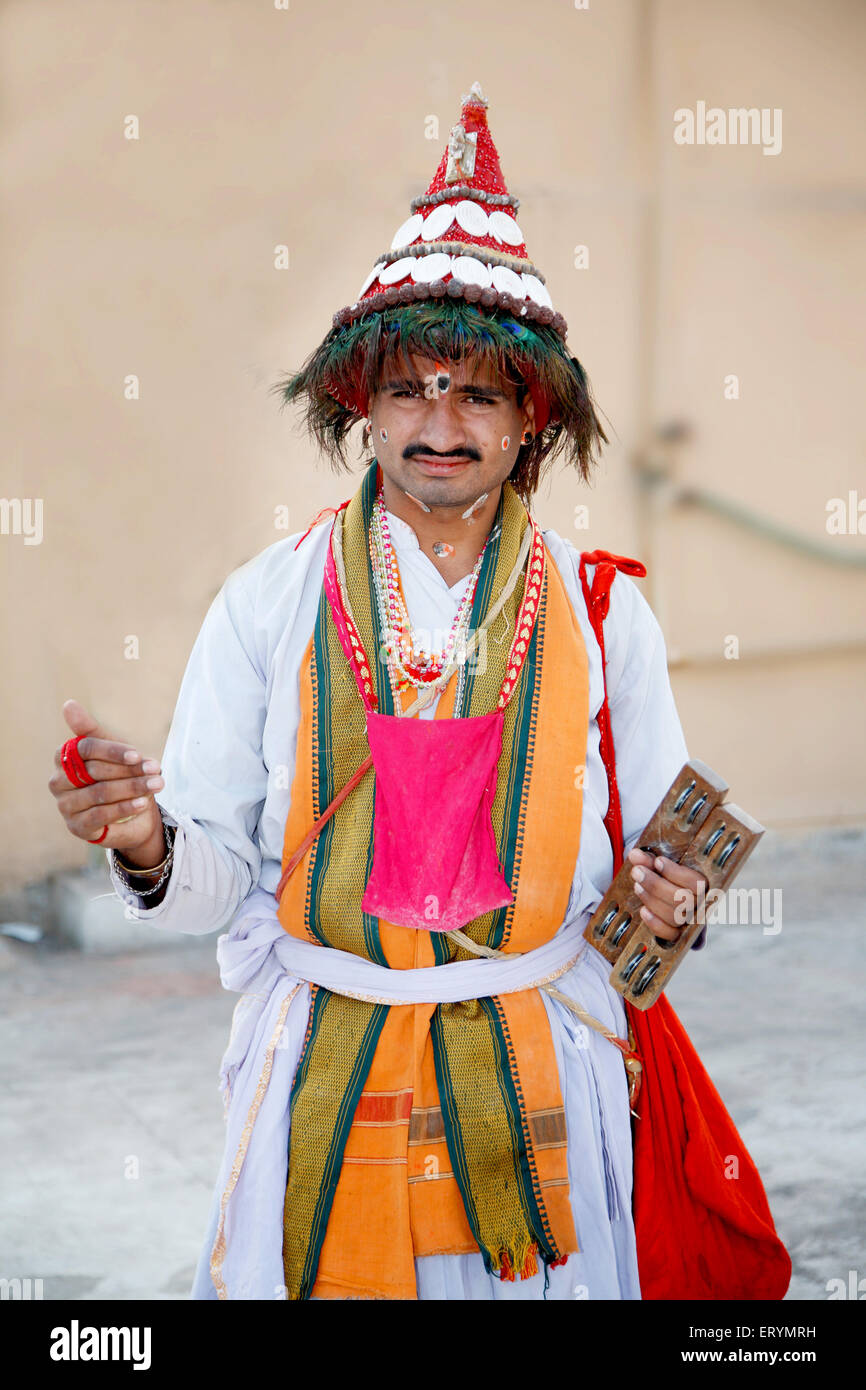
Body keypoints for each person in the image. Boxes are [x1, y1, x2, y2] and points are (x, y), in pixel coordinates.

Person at [49, 83, 789, 1301]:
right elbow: (212, 885)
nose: (437, 421)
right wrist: (144, 841)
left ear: (527, 418)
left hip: (548, 1063)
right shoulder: (266, 602)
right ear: (363, 406)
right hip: (319, 1065)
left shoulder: (605, 612)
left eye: (476, 393)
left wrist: (672, 902)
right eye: (409, 389)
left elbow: (666, 854)